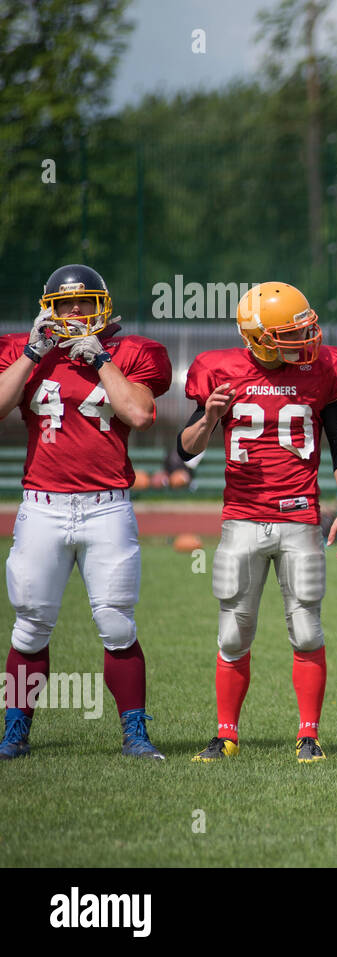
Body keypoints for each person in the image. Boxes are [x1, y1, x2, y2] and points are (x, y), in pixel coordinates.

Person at [179, 281, 337, 763]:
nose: (306, 340)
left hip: (300, 518)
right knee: (234, 632)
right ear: (259, 337)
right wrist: (210, 418)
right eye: (291, 333)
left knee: (306, 629)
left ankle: (309, 735)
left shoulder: (322, 372)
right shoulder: (221, 373)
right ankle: (226, 735)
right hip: (242, 518)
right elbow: (185, 449)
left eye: (305, 328)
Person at [0, 264, 171, 760]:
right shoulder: (23, 349)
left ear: (104, 305)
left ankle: (135, 733)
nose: (76, 312)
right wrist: (34, 353)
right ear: (46, 309)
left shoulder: (132, 352)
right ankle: (16, 730)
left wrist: (100, 360)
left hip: (106, 507)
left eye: (86, 302)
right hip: (43, 504)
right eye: (65, 304)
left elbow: (138, 413)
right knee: (30, 625)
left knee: (117, 624)